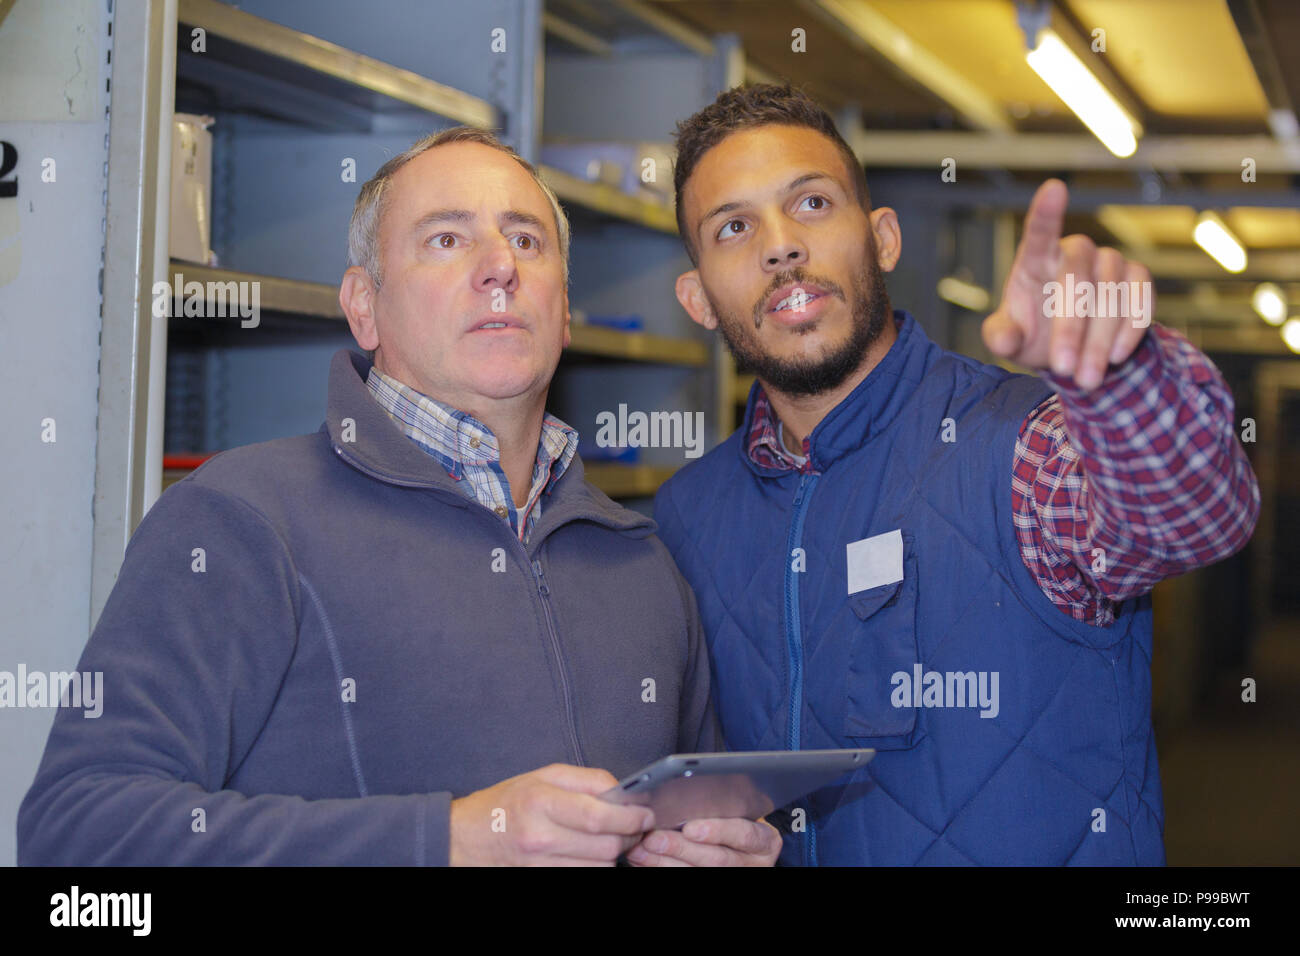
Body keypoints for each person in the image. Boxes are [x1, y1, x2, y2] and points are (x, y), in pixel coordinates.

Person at [18, 127, 779, 867]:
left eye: (527, 240)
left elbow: (690, 815)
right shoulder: (241, 522)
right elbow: (76, 831)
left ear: (566, 308)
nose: (499, 268)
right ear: (363, 306)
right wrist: (447, 841)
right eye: (445, 240)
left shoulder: (638, 562)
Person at [652, 83, 1260, 865]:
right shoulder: (685, 520)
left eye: (810, 204)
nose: (779, 245)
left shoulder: (1019, 447)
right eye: (734, 227)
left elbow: (1193, 518)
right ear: (698, 300)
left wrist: (1120, 380)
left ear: (883, 240)